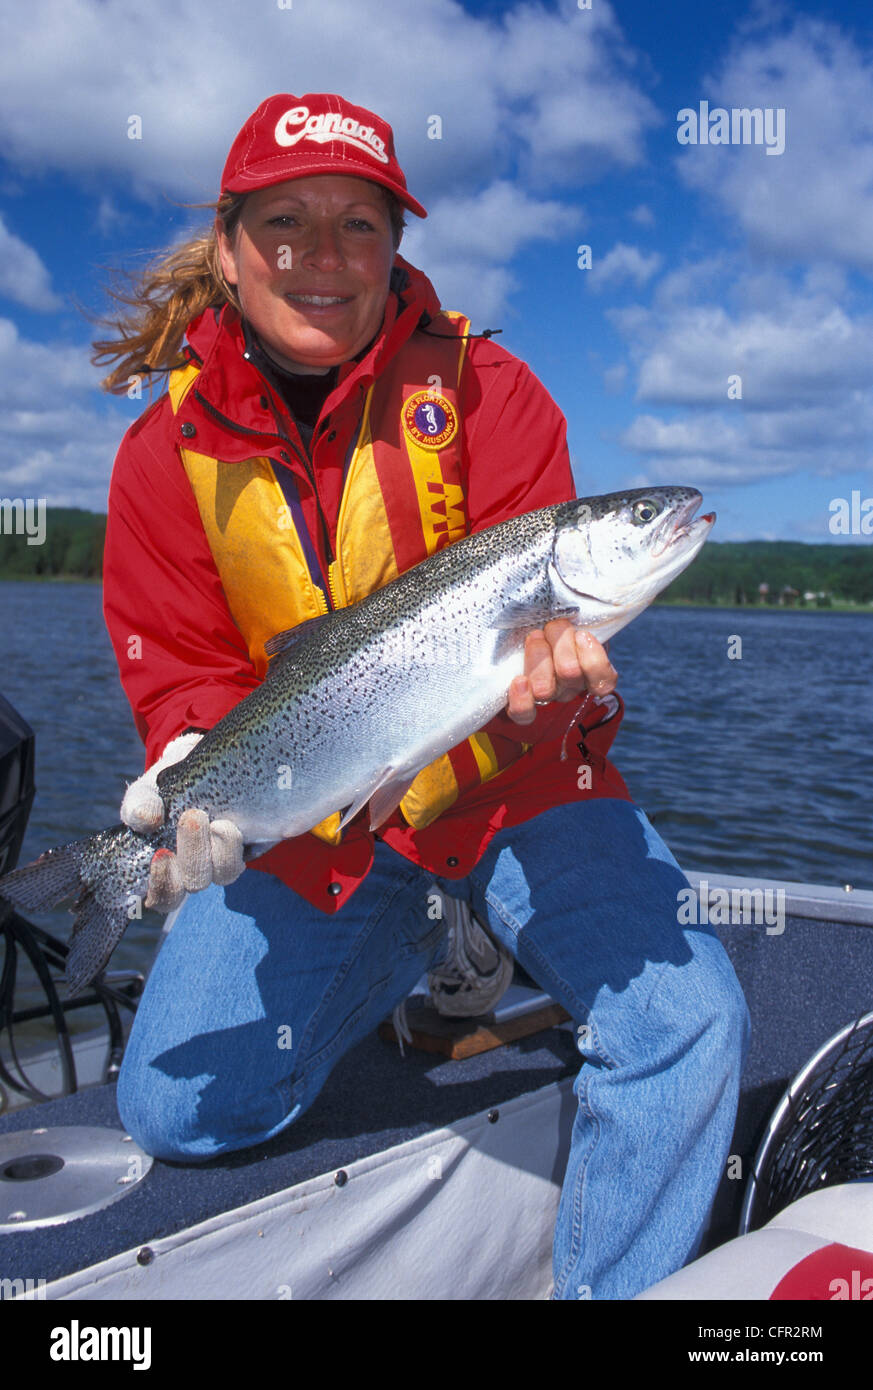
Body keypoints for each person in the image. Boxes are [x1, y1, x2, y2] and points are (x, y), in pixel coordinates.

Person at [95, 92, 749, 1300]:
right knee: (175, 1107)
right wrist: (187, 764)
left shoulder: (494, 390)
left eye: (359, 223)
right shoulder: (159, 457)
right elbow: (180, 658)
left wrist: (559, 701)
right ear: (230, 249)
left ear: (398, 244)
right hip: (322, 809)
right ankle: (419, 939)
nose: (322, 256)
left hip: (518, 792)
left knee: (689, 1030)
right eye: (285, 224)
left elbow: (559, 700)